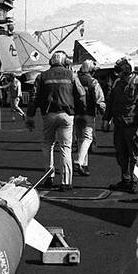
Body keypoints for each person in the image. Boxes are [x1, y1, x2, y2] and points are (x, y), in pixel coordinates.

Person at [27, 52, 88, 190]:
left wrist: (30, 116)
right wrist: (81, 114)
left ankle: (49, 176)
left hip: (49, 115)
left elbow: (34, 97)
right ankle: (66, 182)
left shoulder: (42, 76)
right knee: (65, 148)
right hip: (67, 115)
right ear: (64, 61)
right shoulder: (72, 75)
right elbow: (81, 95)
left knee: (48, 145)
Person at [104, 58, 138, 191]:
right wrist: (106, 119)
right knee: (121, 154)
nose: (118, 74)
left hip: (133, 125)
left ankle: (134, 181)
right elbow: (111, 102)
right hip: (119, 125)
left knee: (135, 156)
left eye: (120, 70)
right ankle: (125, 180)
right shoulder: (117, 83)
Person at [73, 59, 104, 177]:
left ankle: (84, 166)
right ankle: (79, 162)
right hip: (88, 113)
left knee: (80, 139)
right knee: (88, 138)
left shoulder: (75, 80)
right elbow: (99, 98)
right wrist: (104, 113)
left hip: (76, 113)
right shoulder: (93, 82)